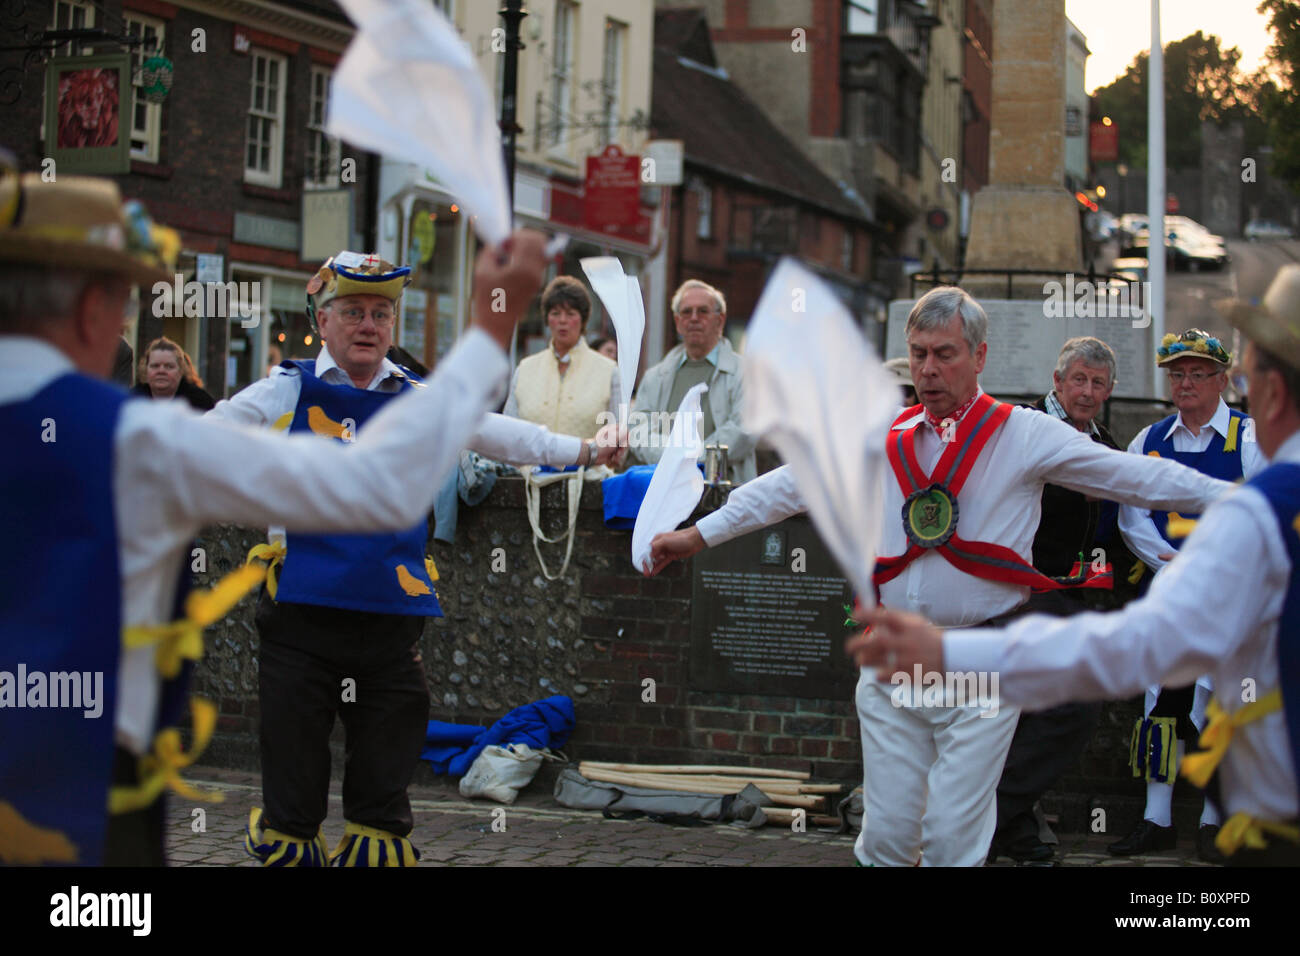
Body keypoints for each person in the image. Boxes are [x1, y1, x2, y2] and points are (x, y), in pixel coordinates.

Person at [0, 168, 547, 866]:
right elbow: (371, 488)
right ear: (91, 313)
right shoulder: (142, 440)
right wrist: (490, 325)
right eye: (119, 304)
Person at [647, 286, 1232, 866]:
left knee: (954, 841)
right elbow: (787, 486)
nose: (928, 369)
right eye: (919, 352)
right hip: (894, 656)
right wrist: (697, 536)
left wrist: (1246, 498)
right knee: (887, 840)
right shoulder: (883, 433)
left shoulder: (1024, 434)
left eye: (945, 354)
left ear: (979, 357)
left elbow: (1136, 478)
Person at [849, 263, 1300, 867]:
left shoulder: (1260, 515)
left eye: (1240, 374)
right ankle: (1004, 820)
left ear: (1269, 391)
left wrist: (957, 653)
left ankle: (1000, 818)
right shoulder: (1249, 500)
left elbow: (1136, 646)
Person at [207, 252, 623, 867]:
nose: (369, 325)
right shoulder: (288, 387)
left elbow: (499, 434)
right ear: (323, 320)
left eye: (381, 313)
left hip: (389, 615)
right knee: (293, 761)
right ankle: (292, 843)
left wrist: (587, 450)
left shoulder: (416, 396)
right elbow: (206, 435)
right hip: (301, 614)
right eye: (353, 312)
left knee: (386, 757)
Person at [1110, 328, 1265, 860]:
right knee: (1162, 704)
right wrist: (1172, 562)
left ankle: (1213, 819)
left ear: (1222, 379)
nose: (1186, 383)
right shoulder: (1148, 442)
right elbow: (1130, 515)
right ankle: (1156, 817)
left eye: (1198, 373)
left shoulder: (1250, 438)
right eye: (1177, 374)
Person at [989, 336, 1136, 863]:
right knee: (1065, 705)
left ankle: (1000, 820)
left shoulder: (1108, 445)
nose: (1088, 391)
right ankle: (1001, 817)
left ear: (1110, 390)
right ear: (1057, 382)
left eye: (1098, 383)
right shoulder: (1025, 430)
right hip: (1021, 591)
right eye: (1079, 379)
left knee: (1044, 711)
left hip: (1077, 600)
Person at [627, 279, 756, 484]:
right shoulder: (654, 377)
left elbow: (744, 430)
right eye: (686, 312)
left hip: (725, 495)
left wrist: (690, 458)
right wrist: (671, 457)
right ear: (677, 322)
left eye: (703, 311)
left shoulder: (745, 373)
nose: (694, 318)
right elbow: (638, 431)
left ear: (720, 320)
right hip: (664, 490)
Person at [503, 275, 621, 441]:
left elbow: (617, 439)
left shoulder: (609, 372)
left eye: (571, 313)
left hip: (587, 467)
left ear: (583, 319)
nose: (562, 321)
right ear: (547, 319)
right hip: (528, 467)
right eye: (555, 313)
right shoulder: (525, 369)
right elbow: (508, 433)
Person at [133, 335, 214, 411]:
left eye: (169, 366)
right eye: (155, 366)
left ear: (181, 370)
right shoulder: (131, 401)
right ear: (146, 369)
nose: (161, 371)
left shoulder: (201, 402)